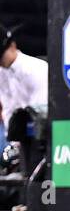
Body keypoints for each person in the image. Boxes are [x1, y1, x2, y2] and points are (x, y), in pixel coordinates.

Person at [0, 23, 49, 173]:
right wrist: (13, 143)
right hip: (22, 138)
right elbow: (8, 107)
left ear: (13, 45)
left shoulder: (37, 69)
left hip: (41, 136)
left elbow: (41, 111)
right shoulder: (1, 73)